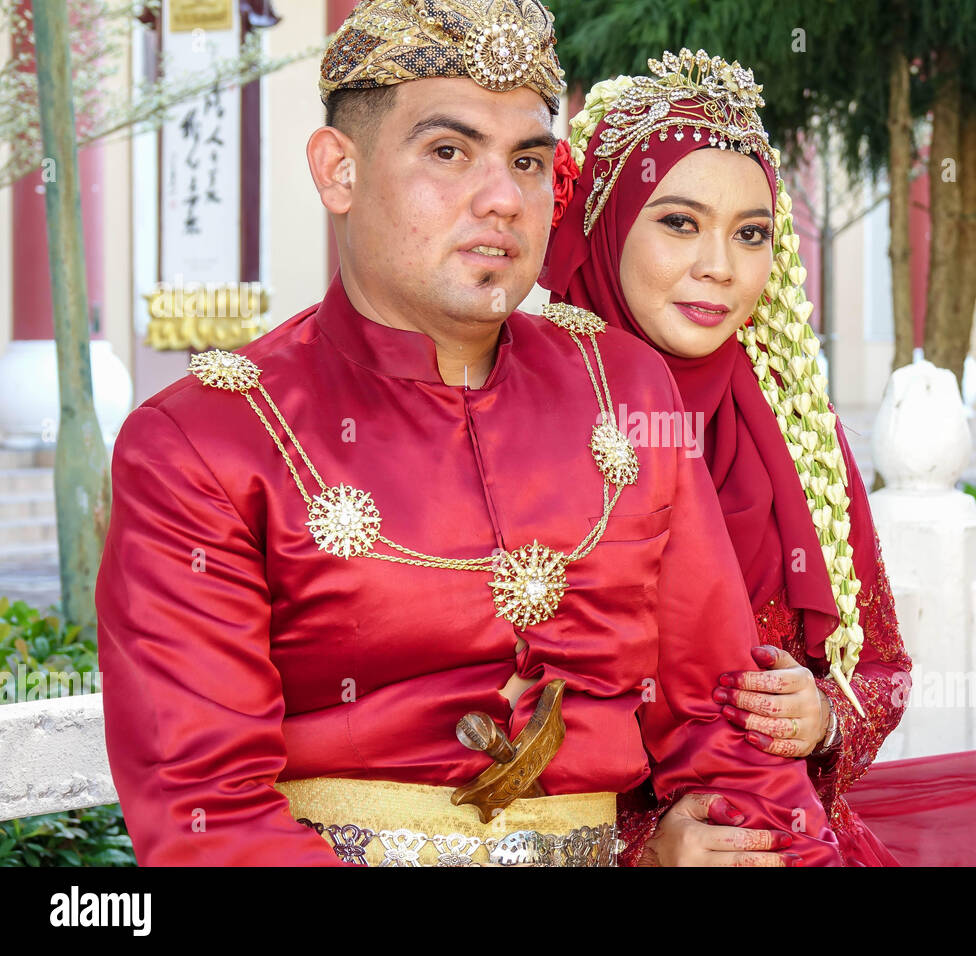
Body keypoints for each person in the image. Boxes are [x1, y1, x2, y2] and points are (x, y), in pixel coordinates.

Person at [94, 3, 842, 867]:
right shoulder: (204, 441)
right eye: (448, 152)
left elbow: (728, 723)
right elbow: (209, 815)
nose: (501, 199)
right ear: (338, 171)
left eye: (527, 161)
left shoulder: (626, 387)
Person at [542, 49, 913, 865]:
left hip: (791, 842)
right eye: (680, 222)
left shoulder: (793, 422)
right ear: (604, 225)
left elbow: (881, 668)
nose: (720, 266)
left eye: (750, 235)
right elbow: (453, 719)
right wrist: (638, 846)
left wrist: (823, 716)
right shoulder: (526, 414)